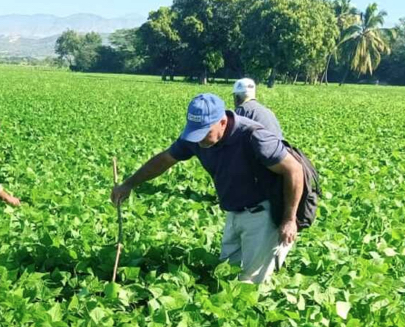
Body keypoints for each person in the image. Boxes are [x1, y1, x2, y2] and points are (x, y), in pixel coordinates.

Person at [111, 94, 304, 284]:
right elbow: (165, 160)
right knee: (226, 274)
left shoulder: (253, 136)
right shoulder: (195, 137)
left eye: (205, 132)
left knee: (251, 282)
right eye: (195, 132)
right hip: (234, 212)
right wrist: (129, 184)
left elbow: (294, 170)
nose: (199, 139)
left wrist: (289, 219)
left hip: (263, 213)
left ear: (222, 122)